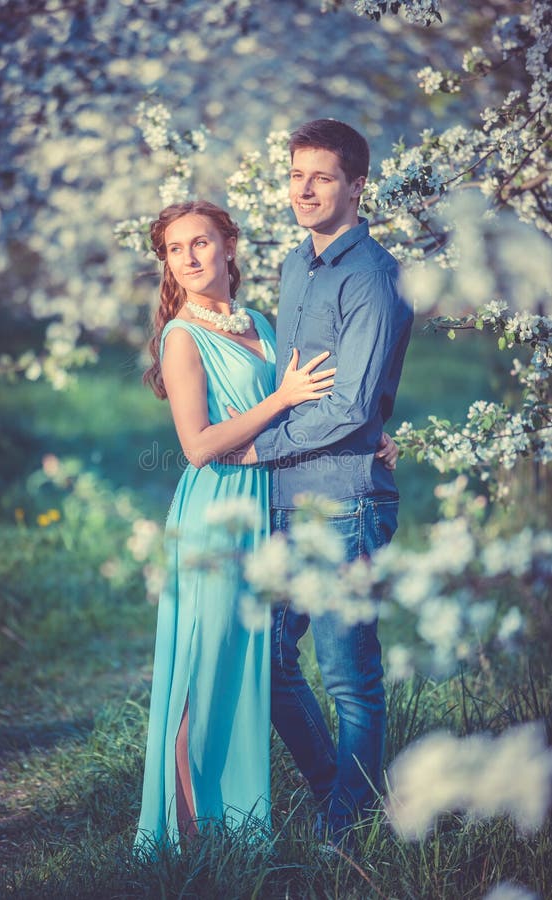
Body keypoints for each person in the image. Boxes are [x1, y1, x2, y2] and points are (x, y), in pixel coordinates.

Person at [134, 199, 398, 849]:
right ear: (166, 263)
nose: (190, 257)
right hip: (218, 511)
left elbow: (309, 409)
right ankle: (186, 834)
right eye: (175, 249)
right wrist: (279, 397)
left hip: (275, 497)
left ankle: (314, 804)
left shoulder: (254, 319)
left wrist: (365, 436)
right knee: (208, 654)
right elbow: (197, 445)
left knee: (257, 661)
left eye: (201, 242)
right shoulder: (181, 337)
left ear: (229, 246)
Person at [238, 119, 414, 846]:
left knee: (348, 677)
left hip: (341, 499)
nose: (303, 190)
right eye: (295, 175)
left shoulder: (373, 275)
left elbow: (347, 404)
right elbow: (295, 381)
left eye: (321, 177)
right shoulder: (291, 264)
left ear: (355, 186)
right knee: (269, 661)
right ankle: (338, 797)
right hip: (284, 495)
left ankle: (346, 830)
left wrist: (260, 445)